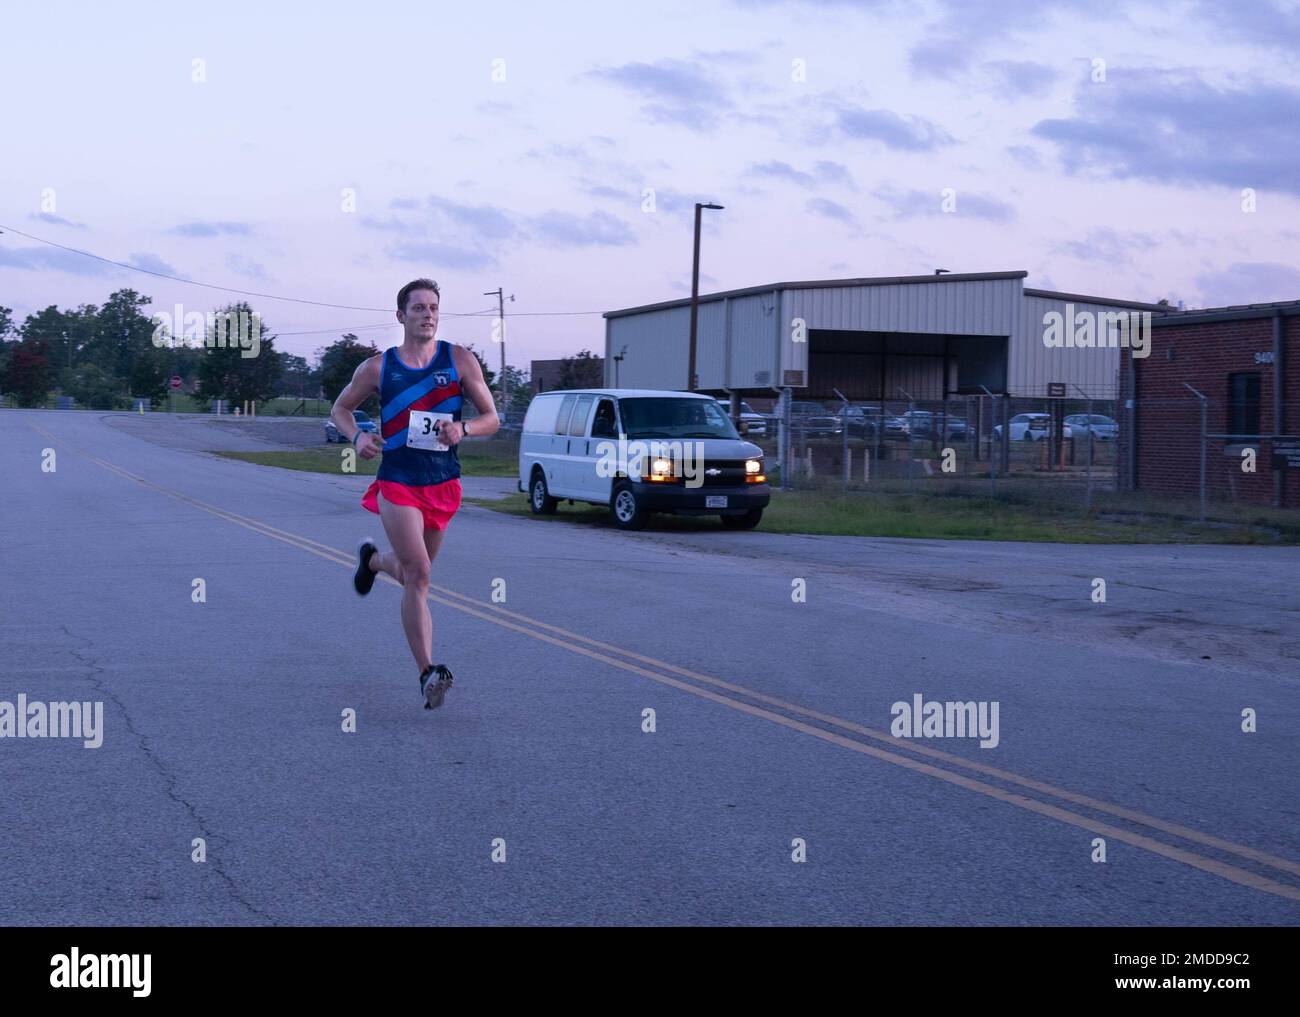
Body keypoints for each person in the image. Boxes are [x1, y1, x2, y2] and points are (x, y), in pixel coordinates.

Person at [330, 278, 500, 710]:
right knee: (420, 573)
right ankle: (428, 673)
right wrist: (356, 438)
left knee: (410, 575)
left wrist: (463, 428)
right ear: (401, 315)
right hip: (398, 482)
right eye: (419, 307)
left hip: (444, 483)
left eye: (434, 307)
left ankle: (371, 561)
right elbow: (340, 409)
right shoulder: (378, 367)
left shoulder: (459, 360)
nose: (428, 314)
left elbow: (492, 419)